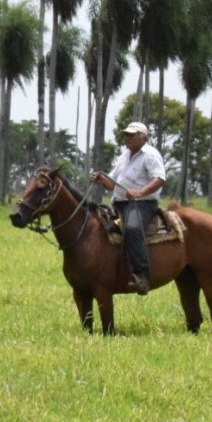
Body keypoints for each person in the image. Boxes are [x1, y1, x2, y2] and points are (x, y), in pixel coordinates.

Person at [89, 121, 166, 295]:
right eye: (125, 134)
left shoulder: (151, 154)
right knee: (100, 225)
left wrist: (140, 193)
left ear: (143, 137)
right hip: (120, 203)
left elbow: (159, 179)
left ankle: (141, 275)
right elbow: (112, 183)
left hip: (142, 204)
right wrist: (102, 180)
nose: (127, 138)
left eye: (131, 134)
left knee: (132, 228)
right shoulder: (124, 155)